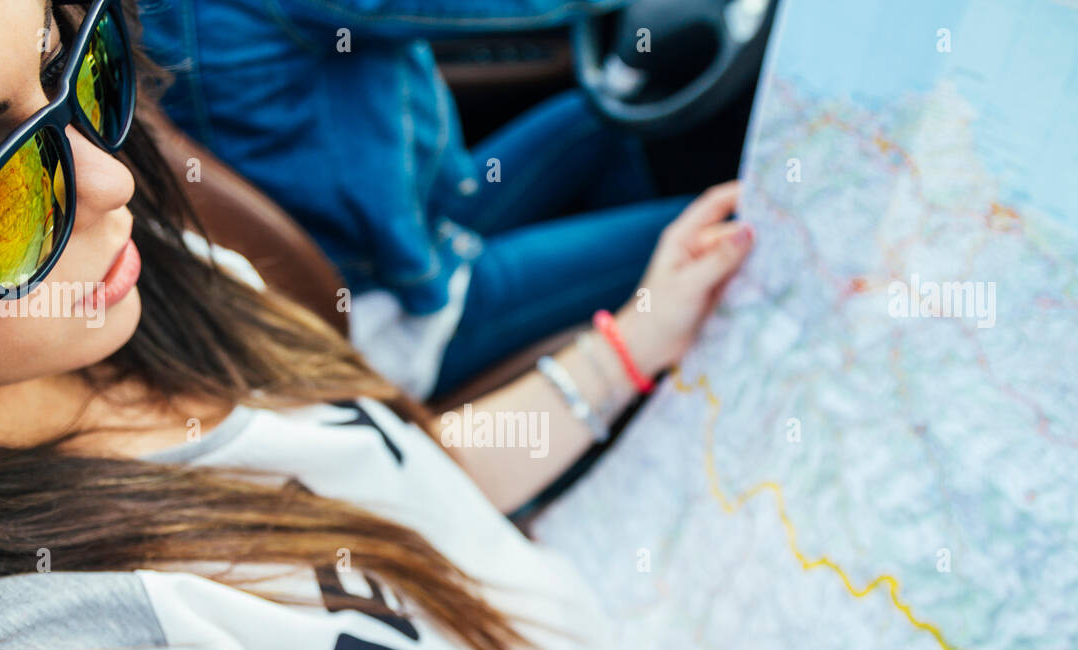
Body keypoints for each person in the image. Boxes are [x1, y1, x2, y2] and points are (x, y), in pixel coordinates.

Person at [0, 0, 1078, 650]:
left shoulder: (136, 288)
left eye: (81, 73)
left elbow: (355, 507)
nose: (115, 179)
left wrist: (623, 350)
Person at [137, 0, 694, 398]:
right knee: (707, 234)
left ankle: (644, 368)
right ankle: (650, 348)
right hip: (393, 305)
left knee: (604, 122)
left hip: (403, 226)